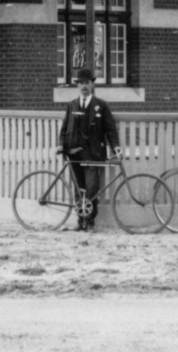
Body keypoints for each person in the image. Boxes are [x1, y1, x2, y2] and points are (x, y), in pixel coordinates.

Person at [59, 67, 118, 232]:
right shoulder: (72, 105)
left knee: (91, 187)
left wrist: (116, 148)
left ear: (92, 84)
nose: (84, 86)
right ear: (77, 85)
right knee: (79, 188)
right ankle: (80, 221)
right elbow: (64, 128)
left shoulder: (101, 106)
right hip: (74, 152)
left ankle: (90, 221)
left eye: (87, 83)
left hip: (93, 153)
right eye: (81, 83)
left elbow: (110, 130)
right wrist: (61, 145)